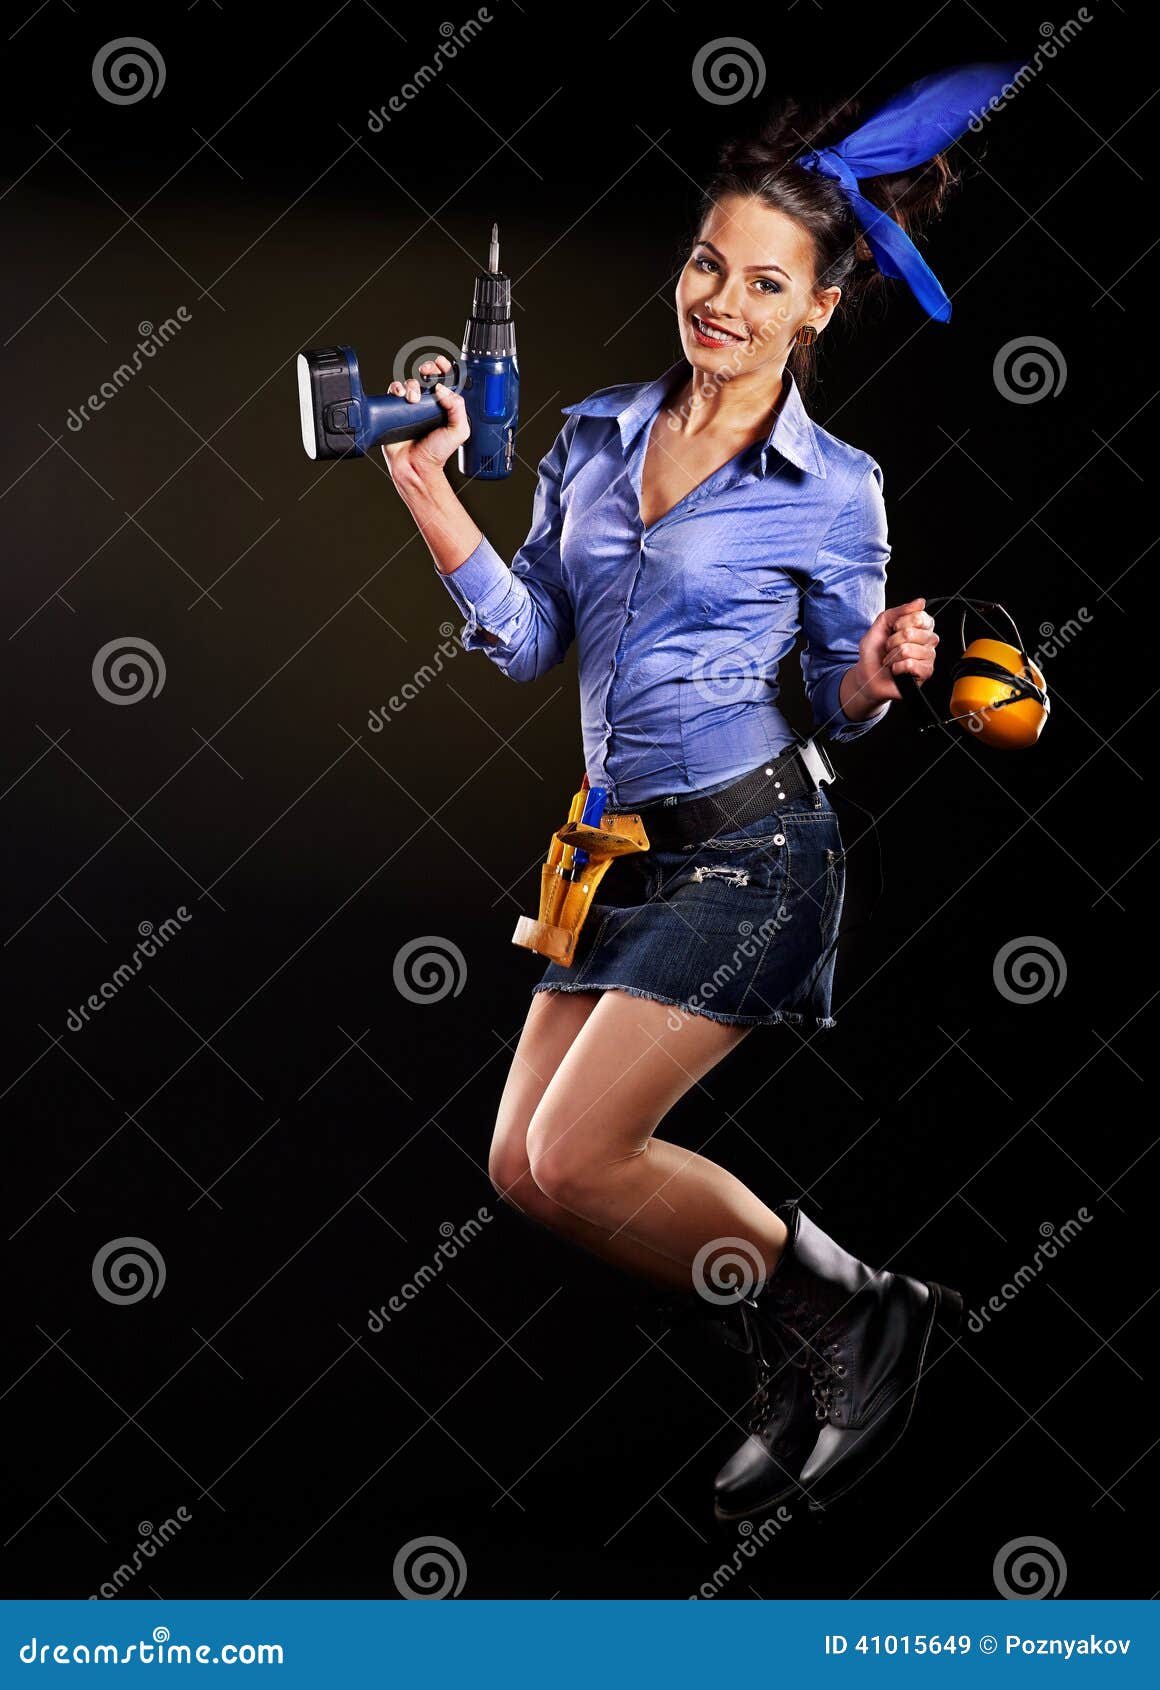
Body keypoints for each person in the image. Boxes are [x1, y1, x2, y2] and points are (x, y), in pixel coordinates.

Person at [381, 64, 1019, 1520]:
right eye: (706, 261)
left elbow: (837, 704)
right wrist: (427, 492)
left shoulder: (833, 486)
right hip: (612, 852)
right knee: (526, 1173)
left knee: (578, 1148)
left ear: (818, 310)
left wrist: (875, 663)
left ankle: (851, 1316)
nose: (721, 298)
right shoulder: (595, 436)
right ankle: (824, 1328)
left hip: (755, 851)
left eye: (764, 281)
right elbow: (533, 640)